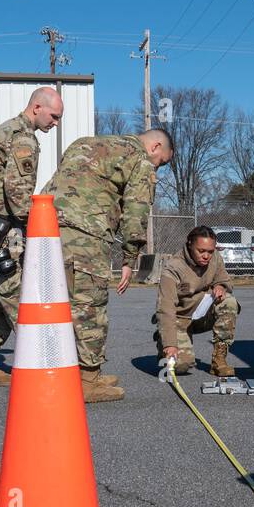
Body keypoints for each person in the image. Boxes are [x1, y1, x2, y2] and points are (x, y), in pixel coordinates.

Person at [42, 129, 173, 402]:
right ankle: (87, 380)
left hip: (45, 225)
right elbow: (136, 210)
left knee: (57, 301)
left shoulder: (85, 142)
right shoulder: (139, 159)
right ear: (155, 147)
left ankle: (64, 372)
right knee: (90, 304)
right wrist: (129, 258)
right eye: (161, 162)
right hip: (84, 232)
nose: (157, 170)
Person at [0, 87, 63, 386]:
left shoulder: (7, 130)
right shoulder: (23, 138)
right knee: (18, 292)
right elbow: (18, 193)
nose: (55, 123)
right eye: (54, 116)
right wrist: (34, 226)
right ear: (37, 107)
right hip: (1, 227)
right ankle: (47, 363)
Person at [153, 225, 239, 376]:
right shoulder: (173, 268)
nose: (206, 256)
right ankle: (164, 341)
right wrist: (170, 344)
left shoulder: (215, 258)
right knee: (180, 366)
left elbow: (224, 280)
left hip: (202, 314)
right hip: (179, 319)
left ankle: (219, 361)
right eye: (201, 251)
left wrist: (220, 286)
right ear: (190, 244)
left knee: (229, 302)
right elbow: (165, 309)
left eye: (210, 251)